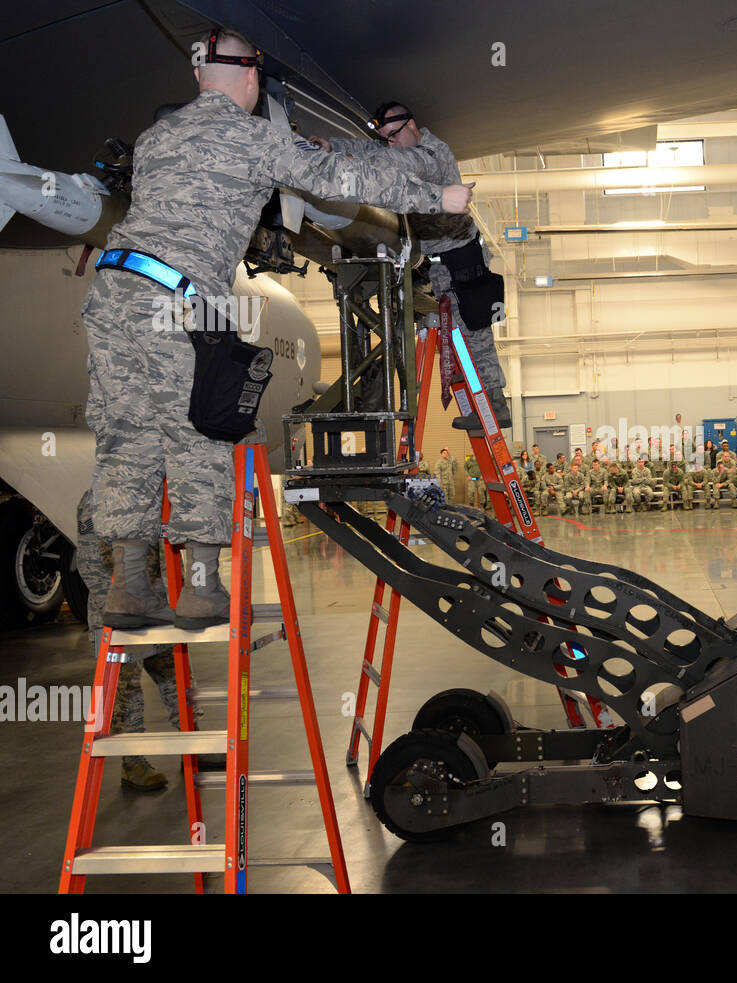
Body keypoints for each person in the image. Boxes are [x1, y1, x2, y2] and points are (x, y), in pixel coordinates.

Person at [86, 29, 469, 632]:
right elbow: (342, 180)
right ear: (250, 79)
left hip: (112, 293)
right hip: (180, 298)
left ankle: (129, 587)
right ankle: (202, 587)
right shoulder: (256, 136)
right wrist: (437, 194)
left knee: (125, 434)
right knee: (203, 426)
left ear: (198, 77)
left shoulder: (156, 137)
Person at [312, 101, 507, 428]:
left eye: (395, 134)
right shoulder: (393, 145)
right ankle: (476, 404)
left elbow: (400, 164)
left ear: (412, 125)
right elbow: (369, 147)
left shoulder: (433, 153)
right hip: (433, 260)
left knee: (473, 329)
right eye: (386, 137)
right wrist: (335, 146)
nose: (391, 141)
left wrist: (345, 160)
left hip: (460, 255)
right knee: (449, 329)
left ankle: (495, 407)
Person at [76, 491, 179, 790]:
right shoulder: (98, 497)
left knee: (175, 673)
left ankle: (192, 738)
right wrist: (121, 608)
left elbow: (166, 551)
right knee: (125, 688)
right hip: (115, 612)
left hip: (156, 605)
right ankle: (132, 762)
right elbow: (90, 563)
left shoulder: (158, 493)